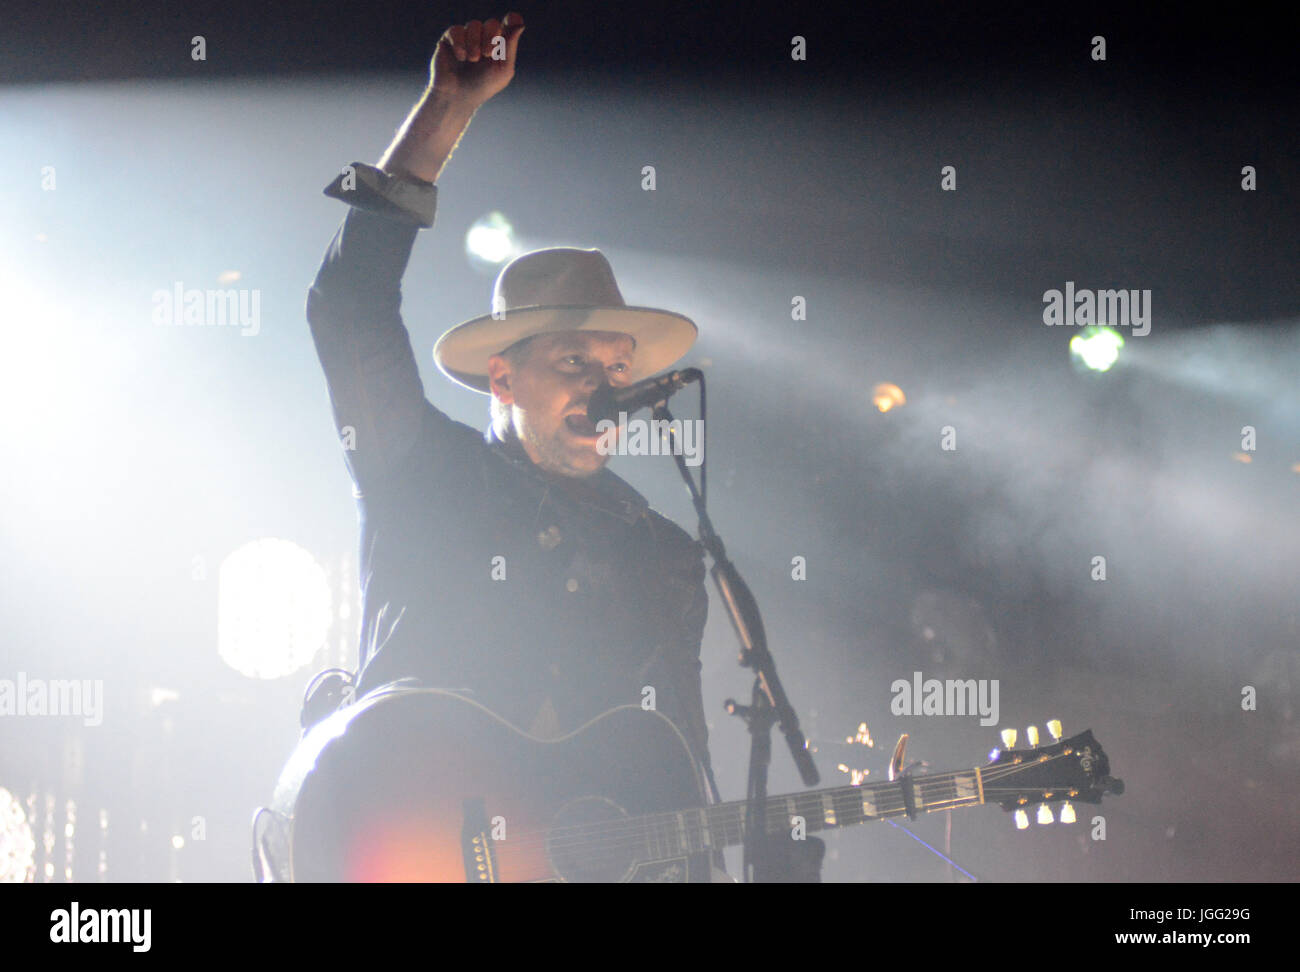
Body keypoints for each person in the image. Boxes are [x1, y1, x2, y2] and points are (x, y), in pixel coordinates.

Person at [304, 13, 822, 881]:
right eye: (577, 362)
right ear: (502, 379)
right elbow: (348, 307)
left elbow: (673, 769)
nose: (606, 384)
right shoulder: (424, 470)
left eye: (619, 366)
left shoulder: (661, 549)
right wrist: (445, 112)